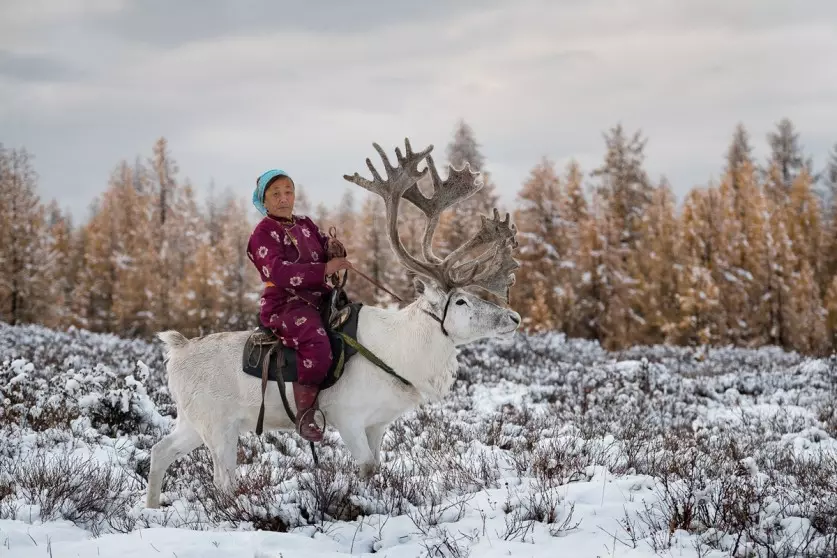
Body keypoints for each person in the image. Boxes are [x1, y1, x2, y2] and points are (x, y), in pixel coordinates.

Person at [247, 169, 353, 442]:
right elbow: (278, 272)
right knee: (316, 344)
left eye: (288, 191)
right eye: (276, 194)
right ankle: (305, 413)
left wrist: (333, 249)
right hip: (285, 304)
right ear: (264, 201)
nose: (284, 198)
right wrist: (324, 268)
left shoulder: (305, 224)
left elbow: (322, 247)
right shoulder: (263, 233)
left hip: (319, 298)